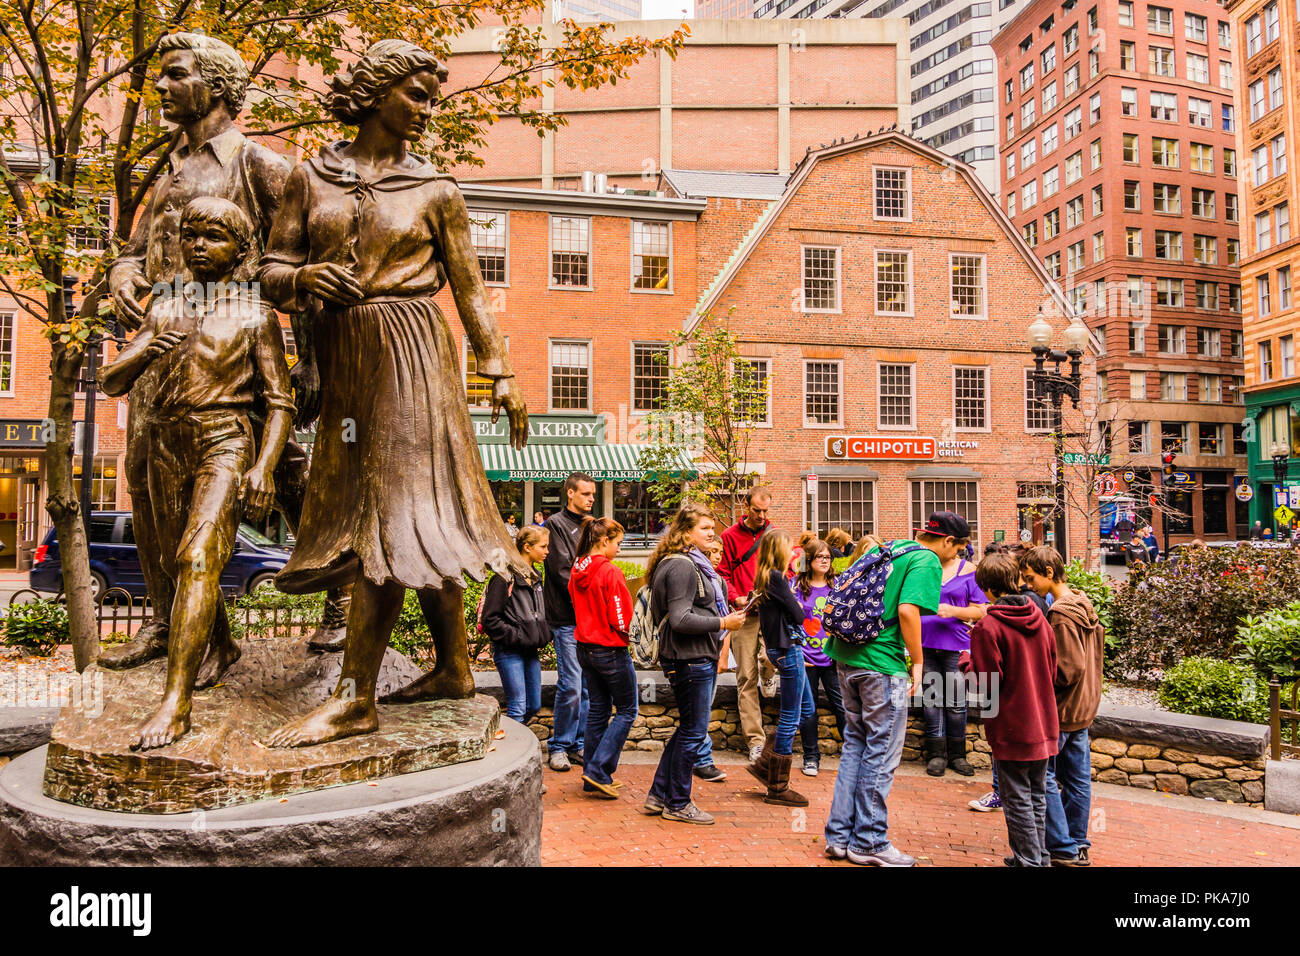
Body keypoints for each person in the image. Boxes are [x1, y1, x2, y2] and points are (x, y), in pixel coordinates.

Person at [259, 40, 530, 748]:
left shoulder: (438, 190)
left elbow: (471, 292)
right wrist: (303, 282)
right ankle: (455, 669)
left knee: (395, 509)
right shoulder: (308, 178)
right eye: (415, 94)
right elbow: (270, 268)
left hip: (412, 352)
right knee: (411, 511)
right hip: (345, 358)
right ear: (376, 92)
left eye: (432, 98)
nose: (425, 110)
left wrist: (500, 371)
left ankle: (354, 698)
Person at [103, 31, 351, 671]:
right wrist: (125, 278)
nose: (159, 86)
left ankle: (340, 598)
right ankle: (167, 621)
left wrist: (312, 360)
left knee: (285, 472)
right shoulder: (168, 177)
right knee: (144, 479)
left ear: (214, 86)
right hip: (164, 347)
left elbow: (303, 263)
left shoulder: (259, 166)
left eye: (174, 75)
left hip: (241, 342)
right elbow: (131, 256)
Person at [100, 197, 294, 749]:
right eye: (191, 236)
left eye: (213, 237)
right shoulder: (163, 306)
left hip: (224, 439)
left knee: (197, 556)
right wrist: (142, 352)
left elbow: (280, 402)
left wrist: (264, 467)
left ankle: (175, 703)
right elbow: (112, 381)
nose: (199, 246)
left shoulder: (257, 316)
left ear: (239, 248)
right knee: (171, 560)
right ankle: (223, 644)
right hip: (165, 441)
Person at [823, 513, 955, 867]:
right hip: (883, 666)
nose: (956, 555)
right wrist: (918, 661)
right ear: (948, 542)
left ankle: (839, 837)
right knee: (882, 753)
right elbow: (908, 611)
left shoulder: (893, 547)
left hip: (846, 657)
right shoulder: (926, 559)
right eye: (957, 548)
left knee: (856, 745)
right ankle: (869, 841)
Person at [646, 504, 747, 824]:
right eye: (704, 528)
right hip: (688, 659)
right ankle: (677, 802)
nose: (711, 532)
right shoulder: (682, 566)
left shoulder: (690, 563)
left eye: (711, 527)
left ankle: (659, 794)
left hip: (691, 658)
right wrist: (723, 623)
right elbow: (680, 619)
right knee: (693, 732)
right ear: (685, 532)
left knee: (687, 730)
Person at [962, 554, 1060, 867]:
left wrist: (966, 660)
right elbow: (1053, 669)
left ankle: (1029, 861)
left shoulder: (988, 628)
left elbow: (986, 683)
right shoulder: (1040, 617)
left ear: (988, 590)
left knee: (1016, 798)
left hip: (1012, 726)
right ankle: (1037, 856)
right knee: (1036, 796)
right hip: (1044, 721)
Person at [1019, 545, 1106, 867]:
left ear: (1049, 573)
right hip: (1084, 708)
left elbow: (1067, 669)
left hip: (1064, 710)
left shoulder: (1061, 614)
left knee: (1046, 778)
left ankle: (1063, 846)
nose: (1028, 585)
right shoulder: (1083, 602)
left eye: (1031, 578)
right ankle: (1077, 842)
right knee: (1078, 779)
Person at [568, 517, 637, 799]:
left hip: (585, 648)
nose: (620, 549)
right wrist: (632, 636)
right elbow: (620, 617)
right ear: (604, 541)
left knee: (597, 709)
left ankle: (593, 775)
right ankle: (598, 770)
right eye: (618, 543)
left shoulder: (577, 568)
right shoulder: (610, 572)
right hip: (610, 649)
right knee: (627, 710)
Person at [749, 531, 815, 806]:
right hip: (787, 650)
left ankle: (766, 763)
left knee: (807, 709)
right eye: (790, 549)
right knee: (791, 715)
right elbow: (799, 614)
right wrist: (798, 605)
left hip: (785, 649)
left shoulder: (770, 577)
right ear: (779, 551)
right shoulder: (776, 578)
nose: (794, 554)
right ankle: (777, 785)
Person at [918, 514, 986, 777]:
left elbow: (983, 610)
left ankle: (958, 755)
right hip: (926, 644)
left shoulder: (968, 572)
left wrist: (953, 611)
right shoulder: (924, 567)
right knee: (931, 701)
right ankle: (936, 754)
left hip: (955, 646)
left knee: (956, 703)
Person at [542, 472, 597, 772]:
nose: (591, 499)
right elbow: (564, 573)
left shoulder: (592, 526)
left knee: (588, 686)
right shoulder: (555, 525)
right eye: (586, 494)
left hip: (590, 619)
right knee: (571, 685)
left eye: (592, 494)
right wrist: (593, 592)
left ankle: (579, 744)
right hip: (566, 618)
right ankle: (559, 746)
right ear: (570, 494)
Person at [717, 486, 776, 761]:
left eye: (765, 511)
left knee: (770, 657)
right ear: (746, 506)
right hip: (744, 615)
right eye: (756, 511)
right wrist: (735, 597)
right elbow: (721, 574)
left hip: (771, 611)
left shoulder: (774, 534)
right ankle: (755, 740)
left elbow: (786, 568)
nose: (761, 516)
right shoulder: (729, 536)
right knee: (745, 677)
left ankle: (769, 674)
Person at [483, 526, 550, 726]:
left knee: (533, 705)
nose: (547, 551)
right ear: (527, 547)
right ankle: (514, 750)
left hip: (530, 651)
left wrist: (543, 634)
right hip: (509, 651)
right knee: (518, 707)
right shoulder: (504, 578)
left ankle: (517, 741)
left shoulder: (536, 577)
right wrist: (517, 636)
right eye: (543, 546)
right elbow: (490, 619)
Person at [793, 538, 844, 777]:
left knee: (842, 706)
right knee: (808, 710)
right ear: (809, 560)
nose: (825, 561)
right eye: (820, 557)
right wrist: (795, 651)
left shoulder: (838, 587)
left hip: (833, 658)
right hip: (806, 659)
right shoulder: (795, 587)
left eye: (828, 558)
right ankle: (811, 757)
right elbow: (788, 622)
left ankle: (853, 753)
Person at [692, 538, 732, 783]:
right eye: (713, 551)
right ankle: (702, 759)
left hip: (713, 649)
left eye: (720, 552)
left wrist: (724, 653)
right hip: (696, 652)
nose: (718, 556)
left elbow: (726, 621)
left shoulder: (720, 583)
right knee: (699, 711)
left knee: (702, 709)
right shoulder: (694, 577)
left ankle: (700, 757)